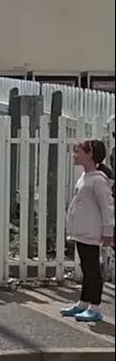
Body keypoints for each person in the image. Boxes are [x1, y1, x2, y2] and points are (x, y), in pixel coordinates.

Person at [61, 138, 114, 323]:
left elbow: (107, 207)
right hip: (82, 232)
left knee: (92, 271)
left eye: (78, 152)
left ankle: (95, 308)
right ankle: (83, 303)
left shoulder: (98, 181)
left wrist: (108, 232)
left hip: (91, 233)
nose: (74, 155)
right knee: (86, 269)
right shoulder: (85, 177)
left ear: (90, 155)